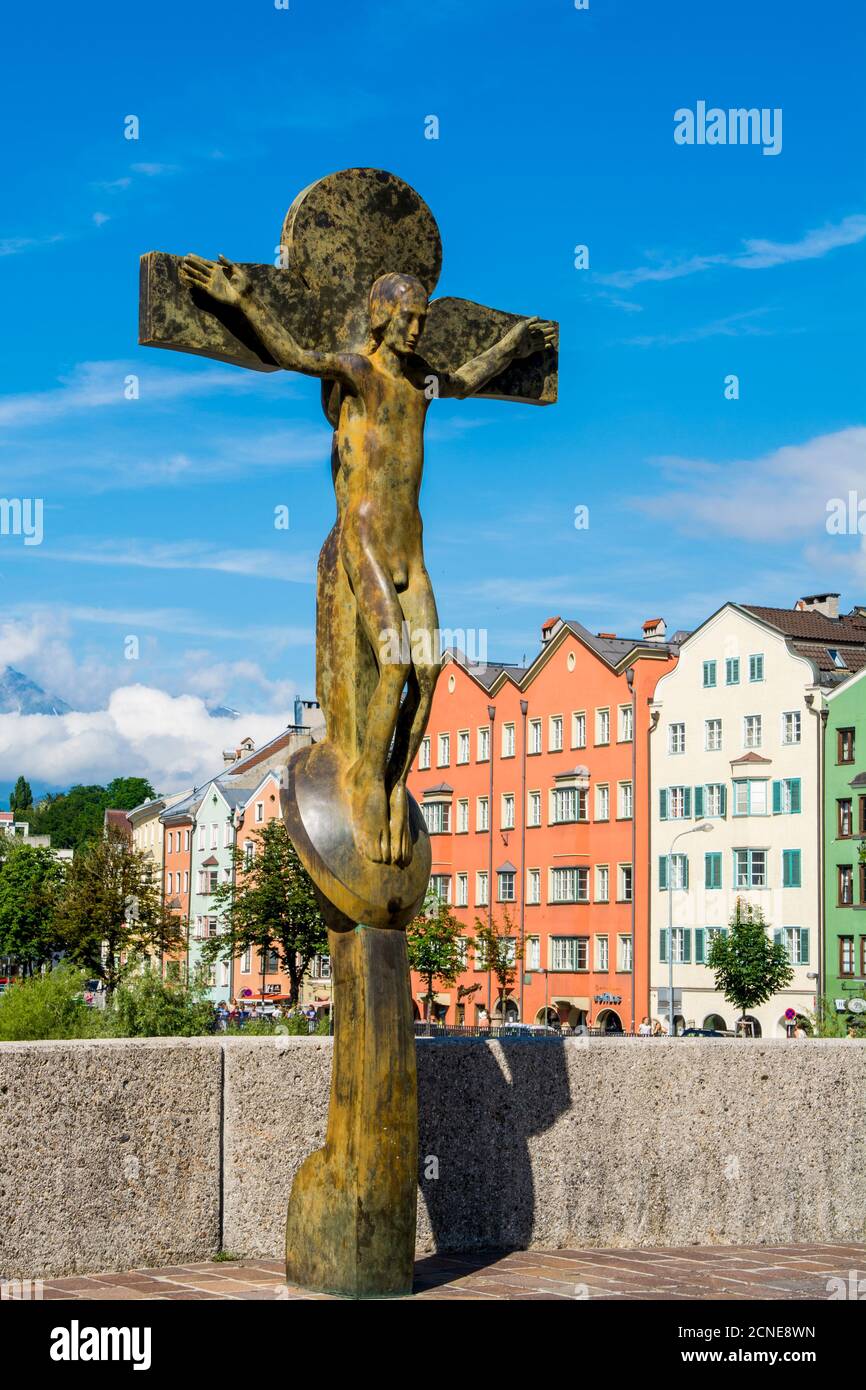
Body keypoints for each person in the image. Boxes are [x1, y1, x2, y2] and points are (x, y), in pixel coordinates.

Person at [179, 252, 555, 865]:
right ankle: (363, 787)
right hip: (366, 541)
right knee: (397, 665)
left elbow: (466, 378)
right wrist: (242, 299)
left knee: (430, 673)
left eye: (422, 319)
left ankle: (393, 783)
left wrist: (512, 347)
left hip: (413, 550)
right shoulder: (356, 373)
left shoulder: (420, 386)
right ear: (381, 317)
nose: (416, 329)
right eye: (407, 318)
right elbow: (297, 355)